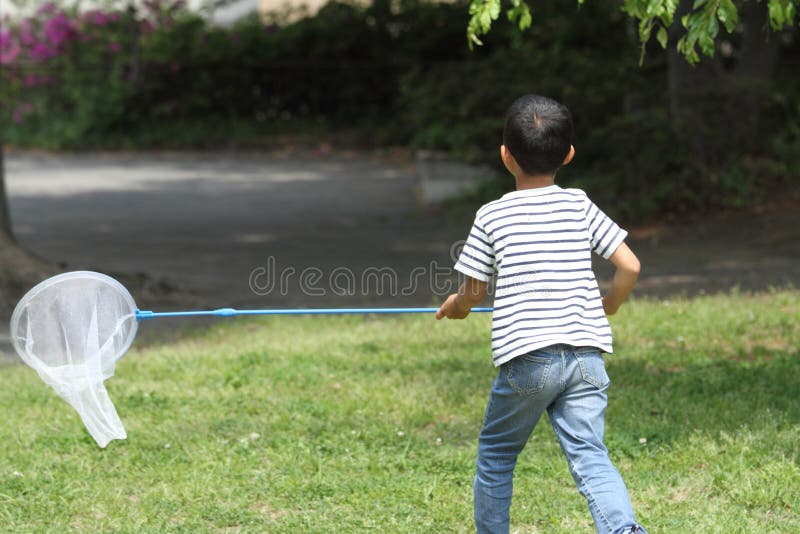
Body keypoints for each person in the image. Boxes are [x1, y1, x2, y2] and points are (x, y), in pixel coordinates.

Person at [436, 94, 646, 534]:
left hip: (528, 358)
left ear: (505, 155)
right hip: (587, 356)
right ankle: (624, 530)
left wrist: (457, 308)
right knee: (590, 454)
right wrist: (608, 305)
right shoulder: (578, 205)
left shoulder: (492, 215)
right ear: (568, 154)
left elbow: (474, 290)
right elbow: (629, 265)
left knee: (496, 455)